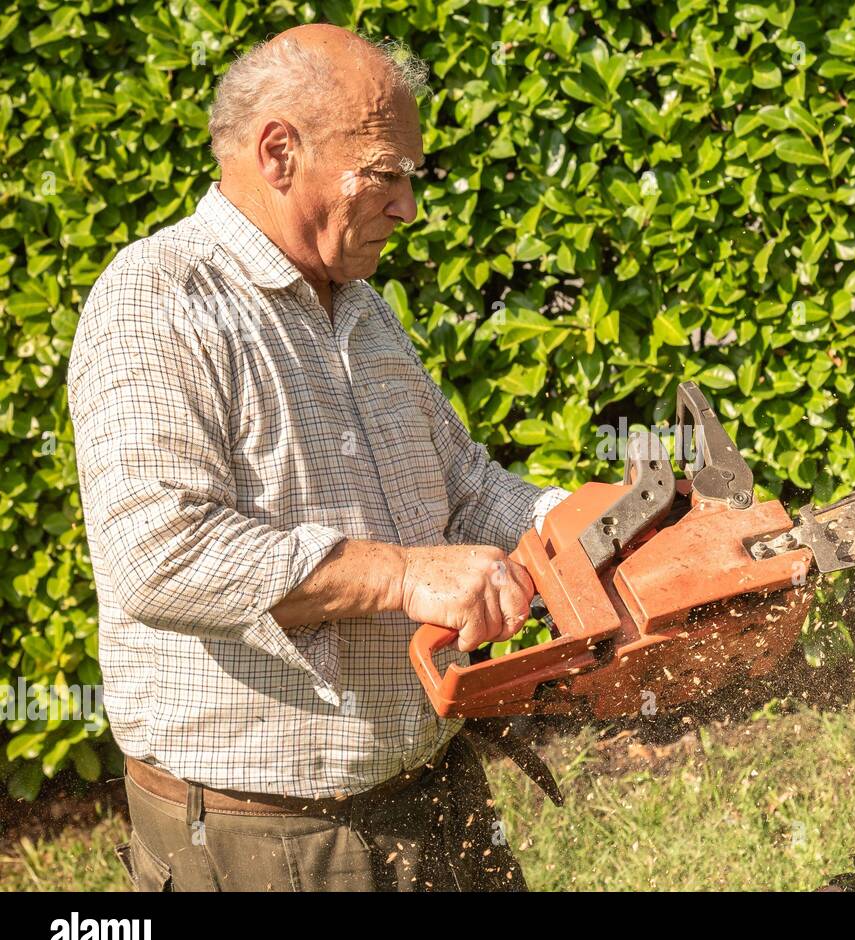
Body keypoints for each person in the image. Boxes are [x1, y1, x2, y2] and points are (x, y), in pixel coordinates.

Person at [67, 23, 565, 891]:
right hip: (272, 839)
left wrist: (599, 524)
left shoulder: (363, 309)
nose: (409, 204)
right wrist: (402, 576)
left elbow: (467, 489)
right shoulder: (158, 297)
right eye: (386, 173)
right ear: (278, 152)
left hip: (434, 795)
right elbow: (154, 553)